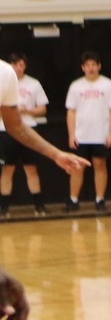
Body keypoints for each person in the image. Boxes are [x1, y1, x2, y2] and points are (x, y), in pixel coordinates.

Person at [64, 52, 111, 212]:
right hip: (81, 135)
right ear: (83, 68)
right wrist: (71, 134)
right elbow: (71, 112)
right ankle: (73, 200)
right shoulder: (76, 86)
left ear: (99, 66)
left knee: (100, 165)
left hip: (101, 135)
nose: (91, 68)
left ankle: (100, 199)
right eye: (87, 65)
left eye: (94, 65)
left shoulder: (108, 85)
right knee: (77, 167)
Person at [0, 52, 55, 216]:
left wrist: (27, 110)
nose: (18, 68)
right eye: (15, 64)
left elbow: (43, 109)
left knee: (31, 168)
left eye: (21, 65)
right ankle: (4, 208)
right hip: (5, 131)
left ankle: (39, 206)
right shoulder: (4, 80)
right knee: (7, 169)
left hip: (28, 129)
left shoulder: (33, 84)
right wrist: (11, 111)